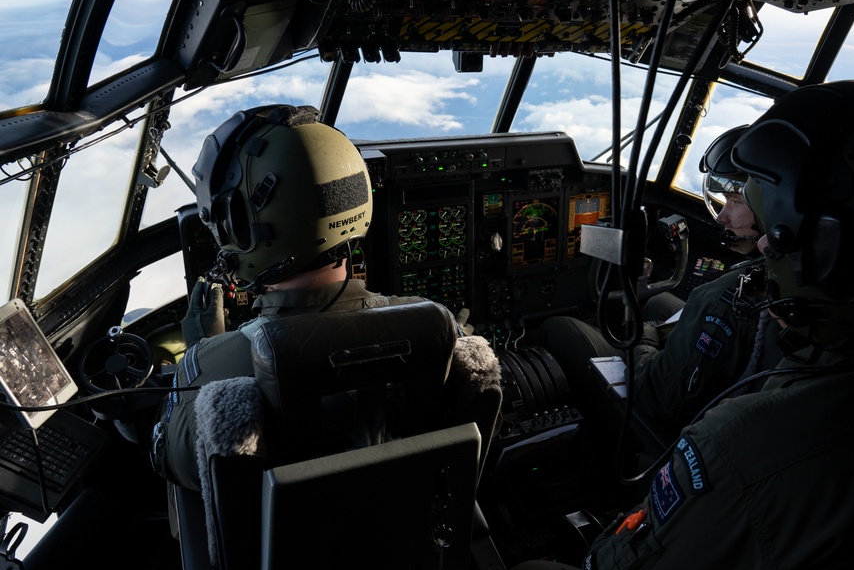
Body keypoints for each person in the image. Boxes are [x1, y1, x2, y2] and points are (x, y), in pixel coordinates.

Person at [584, 78, 854, 570]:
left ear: (834, 257)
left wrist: (644, 335)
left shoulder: (743, 451)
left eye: (781, 236)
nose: (764, 246)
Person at [150, 104, 491, 492]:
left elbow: (171, 461)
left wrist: (202, 355)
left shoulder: (214, 372)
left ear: (243, 231)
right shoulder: (439, 333)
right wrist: (454, 336)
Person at [538, 123, 772, 445]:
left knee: (560, 327)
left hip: (669, 427)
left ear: (773, 208)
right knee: (659, 303)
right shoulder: (789, 276)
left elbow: (655, 397)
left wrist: (645, 335)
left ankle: (596, 445)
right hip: (736, 397)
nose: (720, 217)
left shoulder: (724, 299)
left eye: (734, 201)